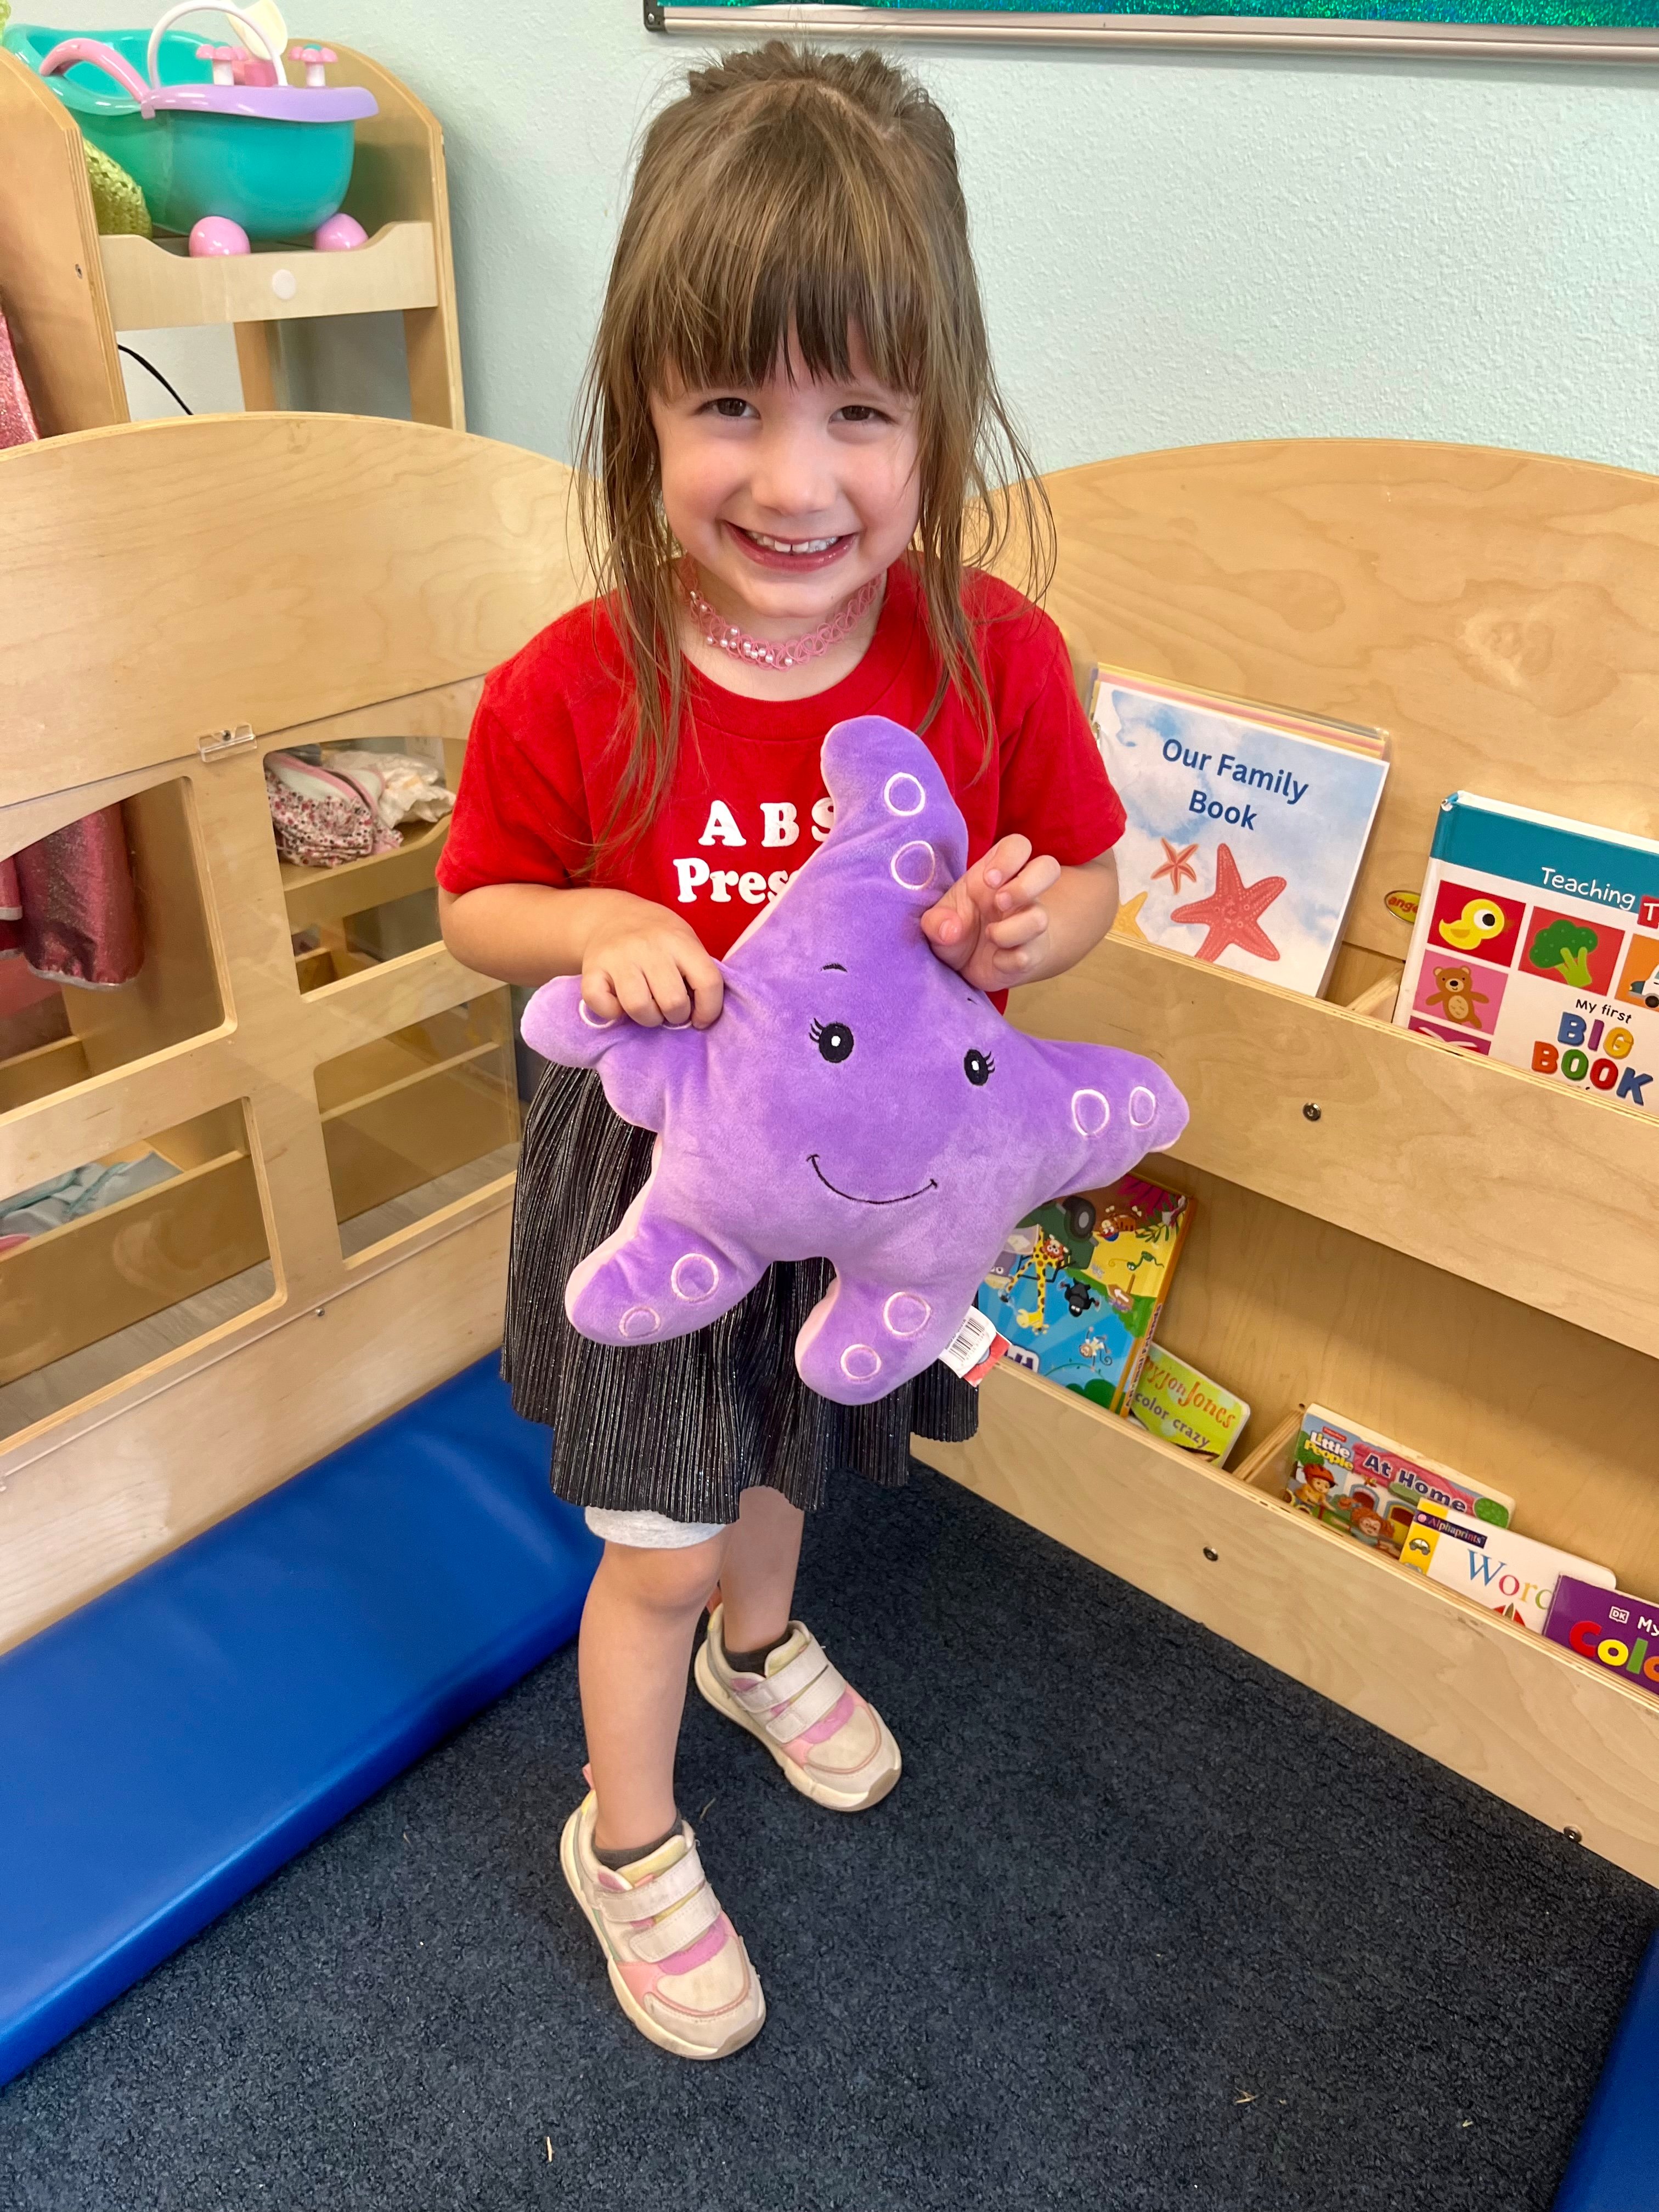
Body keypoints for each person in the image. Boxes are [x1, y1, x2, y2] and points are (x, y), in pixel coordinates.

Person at [437, 42, 1126, 2061]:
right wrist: (603, 925)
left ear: (942, 421)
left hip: (872, 1186)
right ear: (640, 405)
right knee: (651, 1543)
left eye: (860, 412)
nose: (795, 479)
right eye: (728, 404)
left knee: (799, 1461)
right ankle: (629, 1838)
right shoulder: (578, 682)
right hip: (659, 1178)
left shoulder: (991, 652)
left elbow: (1089, 875)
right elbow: (481, 905)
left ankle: (764, 1641)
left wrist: (1034, 920)